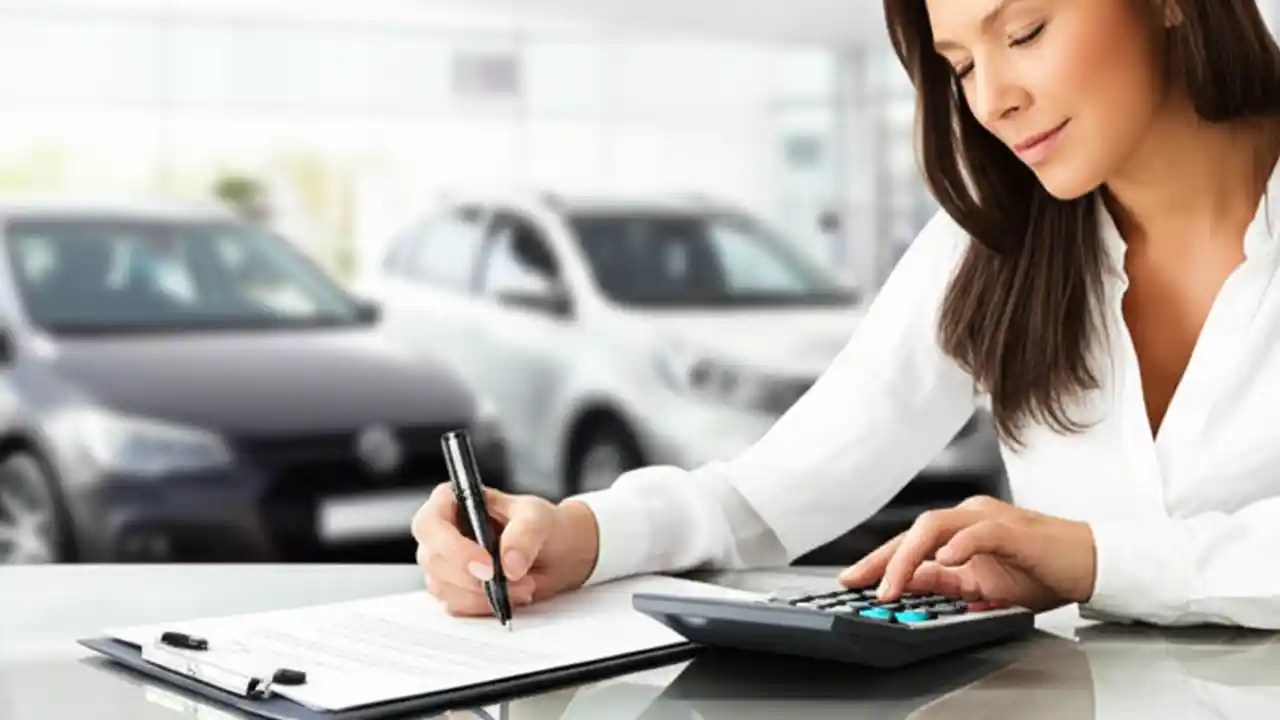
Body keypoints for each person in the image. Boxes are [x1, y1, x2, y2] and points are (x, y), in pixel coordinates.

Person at [412, 0, 1280, 628]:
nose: (992, 101)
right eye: (962, 64)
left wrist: (1094, 559)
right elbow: (770, 496)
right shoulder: (993, 244)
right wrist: (574, 536)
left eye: (1024, 33)